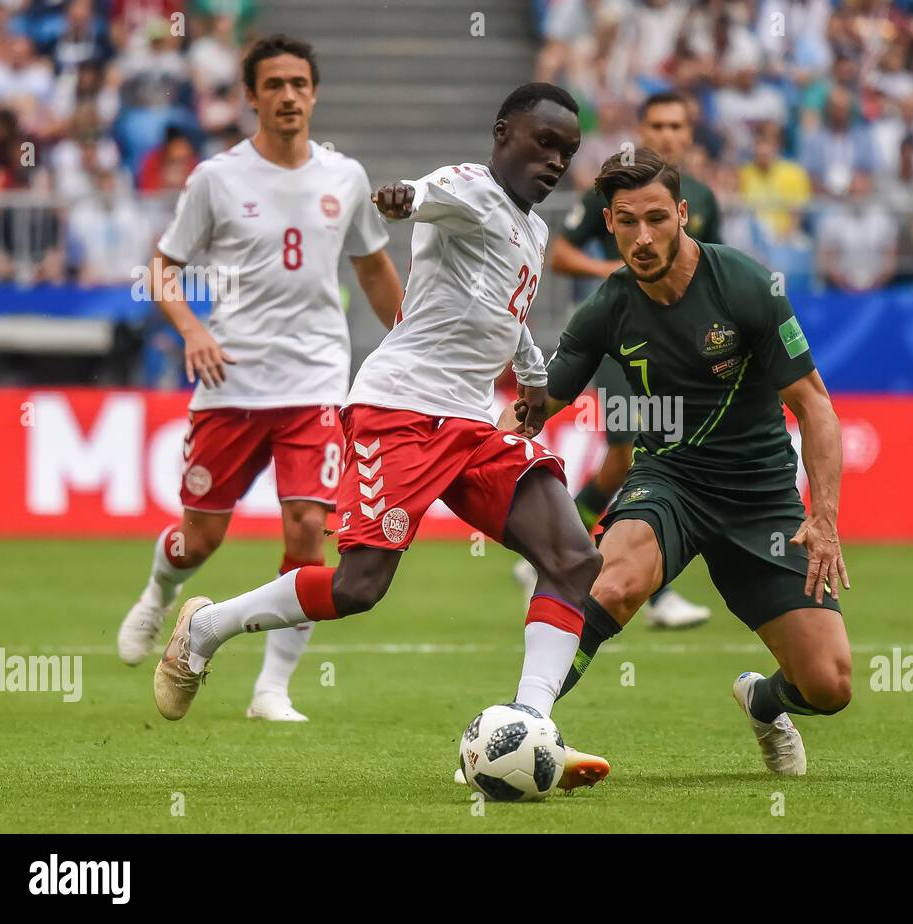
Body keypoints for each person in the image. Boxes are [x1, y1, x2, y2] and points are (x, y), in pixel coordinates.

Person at [153, 81, 611, 791]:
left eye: (568, 153)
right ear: (502, 134)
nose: (554, 161)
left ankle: (529, 725)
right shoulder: (468, 185)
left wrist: (531, 375)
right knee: (360, 588)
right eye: (542, 143)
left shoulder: (536, 229)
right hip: (399, 411)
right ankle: (205, 629)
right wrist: (403, 199)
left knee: (574, 558)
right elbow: (424, 194)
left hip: (470, 423)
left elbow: (505, 308)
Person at [505, 148, 853, 776]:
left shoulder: (745, 285)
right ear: (607, 222)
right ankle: (519, 732)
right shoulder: (608, 308)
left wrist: (823, 518)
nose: (643, 237)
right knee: (608, 584)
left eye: (657, 219)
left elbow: (817, 408)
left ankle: (762, 700)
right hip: (670, 483)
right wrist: (484, 447)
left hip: (762, 497)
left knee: (829, 685)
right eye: (627, 221)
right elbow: (538, 405)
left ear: (684, 214)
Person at [116, 35, 405, 724]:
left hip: (315, 382)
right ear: (250, 96)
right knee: (201, 539)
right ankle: (159, 594)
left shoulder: (345, 178)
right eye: (273, 84)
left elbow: (371, 269)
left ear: (314, 92)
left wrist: (410, 342)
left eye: (299, 84)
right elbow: (160, 269)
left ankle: (271, 688)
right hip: (234, 381)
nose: (288, 96)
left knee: (309, 528)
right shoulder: (217, 178)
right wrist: (192, 328)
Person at [538, 89, 721, 629]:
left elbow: (716, 267)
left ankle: (563, 547)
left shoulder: (704, 198)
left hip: (681, 353)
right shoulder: (619, 191)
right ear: (644, 129)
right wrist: (622, 280)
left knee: (645, 459)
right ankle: (627, 580)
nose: (667, 135)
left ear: (689, 134)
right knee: (630, 454)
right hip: (623, 342)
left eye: (677, 126)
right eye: (657, 125)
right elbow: (563, 254)